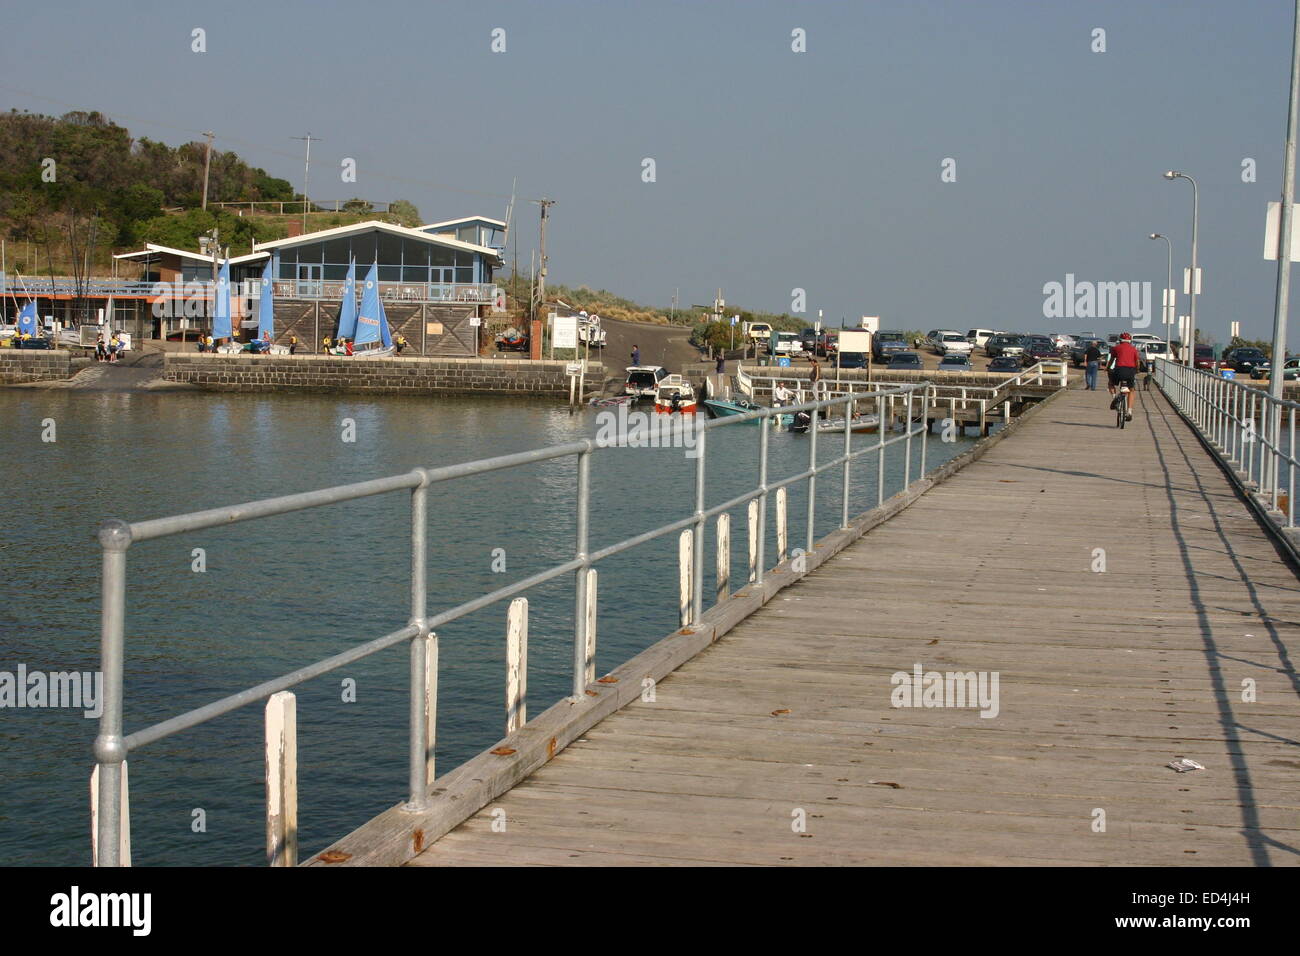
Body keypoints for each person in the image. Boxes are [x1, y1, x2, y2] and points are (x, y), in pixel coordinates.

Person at [1107, 331, 1141, 421]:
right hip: (1130, 371)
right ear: (1130, 340)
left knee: (1111, 383)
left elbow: (1112, 359)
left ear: (1120, 340)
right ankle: (1129, 411)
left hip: (1119, 370)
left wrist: (1107, 368)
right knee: (1131, 390)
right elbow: (1137, 362)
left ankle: (1115, 398)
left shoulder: (1116, 348)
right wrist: (1137, 369)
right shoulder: (1134, 349)